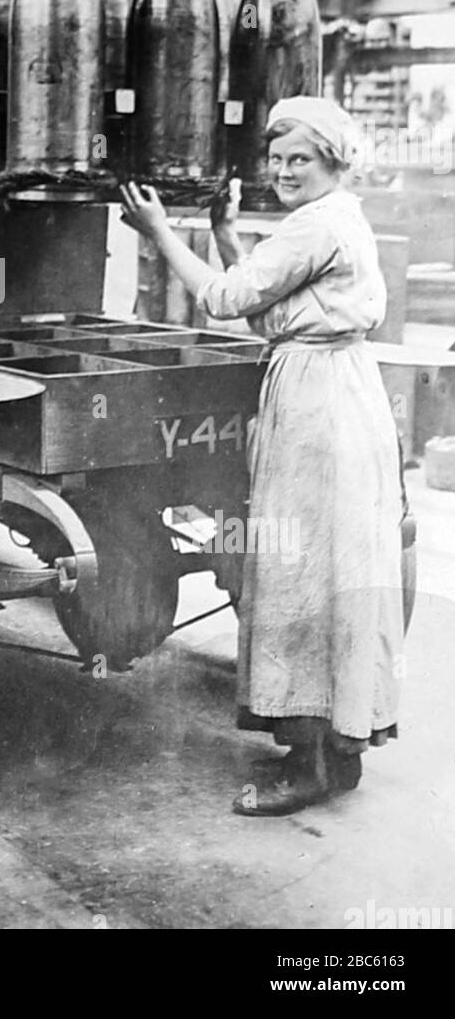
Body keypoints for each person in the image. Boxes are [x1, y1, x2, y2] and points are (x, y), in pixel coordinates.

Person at [118, 97, 405, 816]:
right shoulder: (341, 217)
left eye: (298, 160)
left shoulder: (316, 224)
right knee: (340, 569)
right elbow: (265, 303)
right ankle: (339, 749)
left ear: (334, 160)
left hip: (316, 408)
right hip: (343, 392)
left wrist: (159, 231)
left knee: (300, 572)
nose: (282, 172)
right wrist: (221, 228)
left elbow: (221, 299)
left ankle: (306, 767)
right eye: (275, 161)